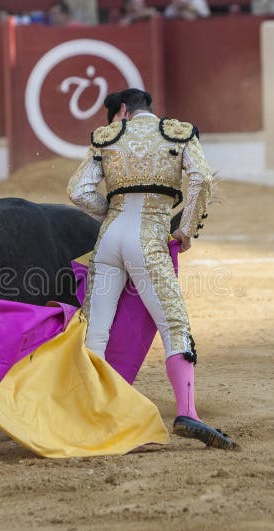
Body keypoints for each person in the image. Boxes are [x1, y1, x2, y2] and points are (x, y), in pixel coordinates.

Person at [67, 88, 235, 450]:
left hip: (109, 240)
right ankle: (187, 412)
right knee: (173, 324)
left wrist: (111, 211)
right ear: (148, 108)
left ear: (123, 110)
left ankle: (91, 414)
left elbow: (78, 191)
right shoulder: (179, 133)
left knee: (96, 331)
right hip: (149, 238)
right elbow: (203, 179)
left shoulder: (106, 136)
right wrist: (186, 229)